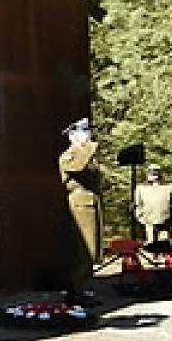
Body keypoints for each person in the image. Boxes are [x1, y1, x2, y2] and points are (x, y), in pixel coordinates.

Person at [57, 117, 102, 304]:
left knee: (91, 251)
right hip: (79, 204)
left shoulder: (86, 156)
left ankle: (82, 289)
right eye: (85, 132)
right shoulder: (69, 156)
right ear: (73, 136)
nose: (89, 136)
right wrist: (88, 148)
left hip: (90, 202)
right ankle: (74, 291)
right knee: (80, 251)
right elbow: (77, 168)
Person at [134, 164, 172, 245]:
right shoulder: (141, 188)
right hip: (148, 220)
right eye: (151, 173)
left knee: (164, 245)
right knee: (151, 244)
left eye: (155, 173)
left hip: (166, 221)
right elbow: (137, 204)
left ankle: (163, 257)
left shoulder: (170, 186)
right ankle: (154, 257)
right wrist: (140, 218)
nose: (154, 175)